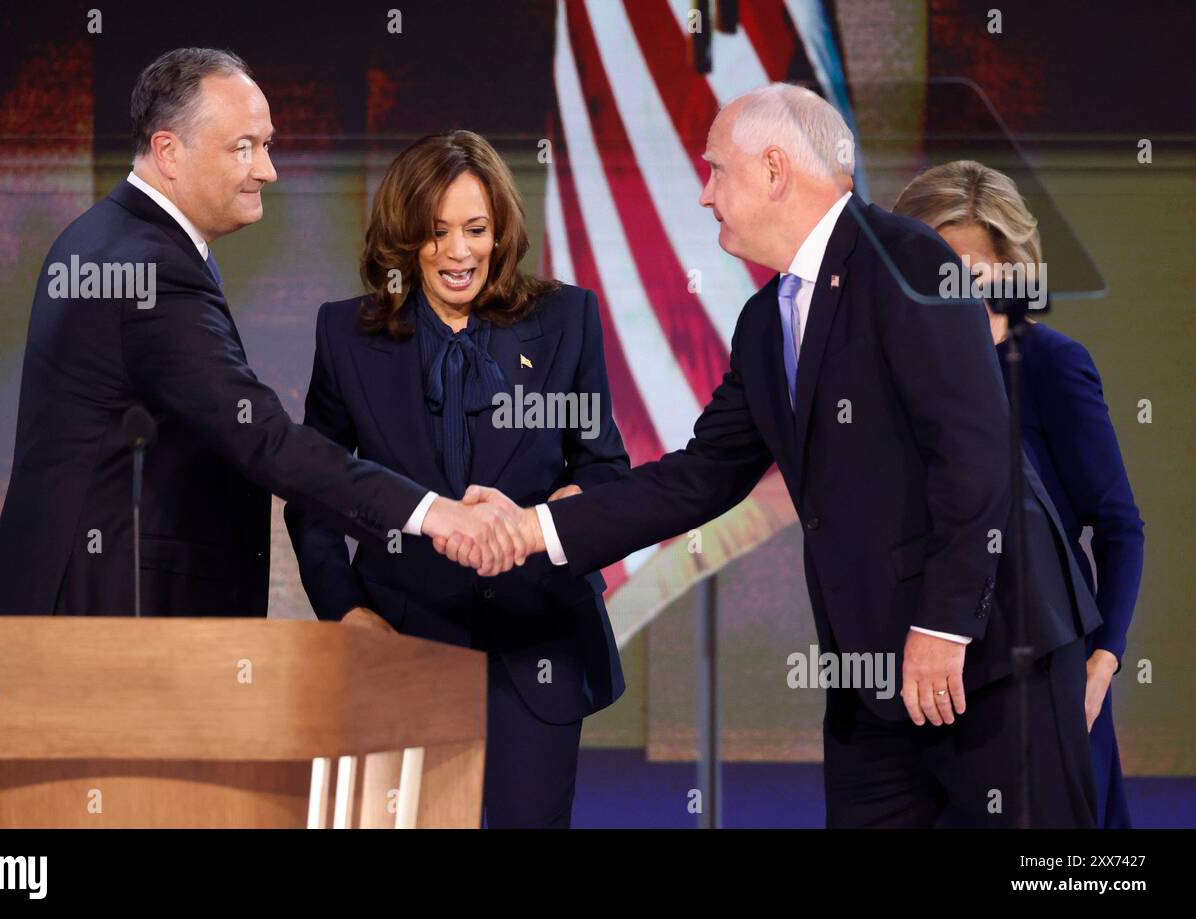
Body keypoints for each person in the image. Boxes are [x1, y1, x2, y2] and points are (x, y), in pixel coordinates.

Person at [464, 83, 1104, 827]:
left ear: (773, 169)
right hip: (872, 674)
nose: (704, 196)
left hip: (993, 654)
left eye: (715, 171)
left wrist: (944, 625)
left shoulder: (912, 262)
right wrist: (536, 527)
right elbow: (698, 477)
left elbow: (976, 455)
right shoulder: (767, 323)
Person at [0, 48, 523, 619]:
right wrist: (435, 513)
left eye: (267, 145)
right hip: (111, 621)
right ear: (168, 151)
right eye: (243, 148)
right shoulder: (147, 267)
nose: (267, 170)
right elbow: (261, 439)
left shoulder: (113, 240)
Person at [285, 130, 629, 828]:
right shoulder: (346, 336)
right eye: (435, 232)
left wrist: (554, 521)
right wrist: (347, 613)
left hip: (534, 648)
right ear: (403, 238)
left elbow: (604, 471)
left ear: (500, 230)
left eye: (475, 229)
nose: (458, 252)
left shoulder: (566, 319)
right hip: (400, 644)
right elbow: (314, 490)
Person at [893, 160, 1144, 828]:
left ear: (1012, 267)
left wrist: (1102, 662)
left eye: (973, 266)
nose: (954, 284)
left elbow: (1120, 526)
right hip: (924, 680)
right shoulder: (893, 376)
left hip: (1044, 677)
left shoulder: (1052, 364)